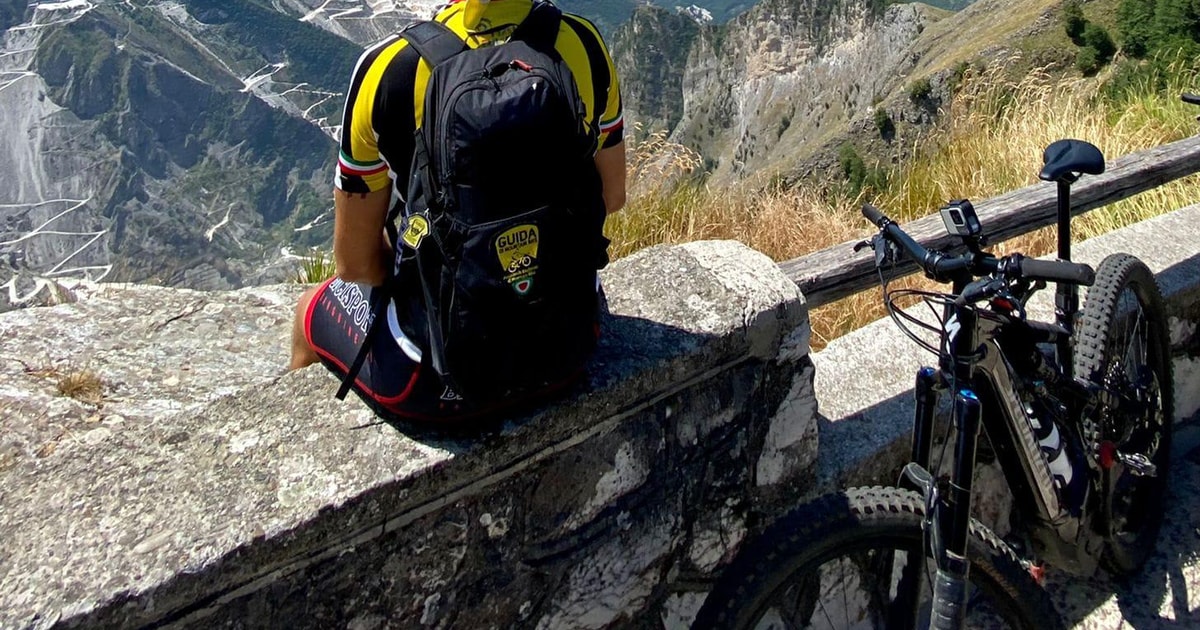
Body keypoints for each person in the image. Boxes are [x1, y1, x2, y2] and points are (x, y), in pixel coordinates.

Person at [289, 0, 625, 421]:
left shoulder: (390, 68)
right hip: (568, 348)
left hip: (432, 381)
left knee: (307, 312)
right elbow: (610, 197)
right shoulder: (581, 43)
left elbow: (355, 265)